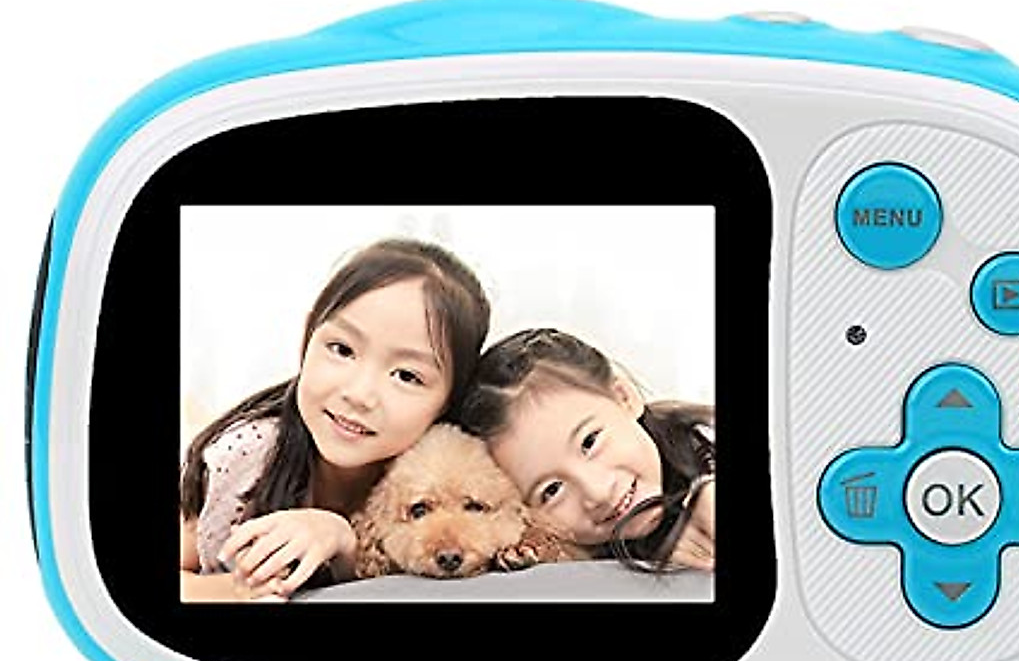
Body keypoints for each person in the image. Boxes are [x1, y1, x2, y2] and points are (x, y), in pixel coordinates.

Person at [179, 238, 490, 601]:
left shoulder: (455, 474)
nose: (359, 394)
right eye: (342, 349)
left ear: (449, 400)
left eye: (406, 375)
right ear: (308, 337)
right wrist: (240, 589)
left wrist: (343, 541)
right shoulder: (250, 456)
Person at [457, 328, 714, 572]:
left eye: (589, 442)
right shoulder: (560, 564)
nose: (597, 493)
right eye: (552, 490)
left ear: (623, 397)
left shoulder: (706, 442)